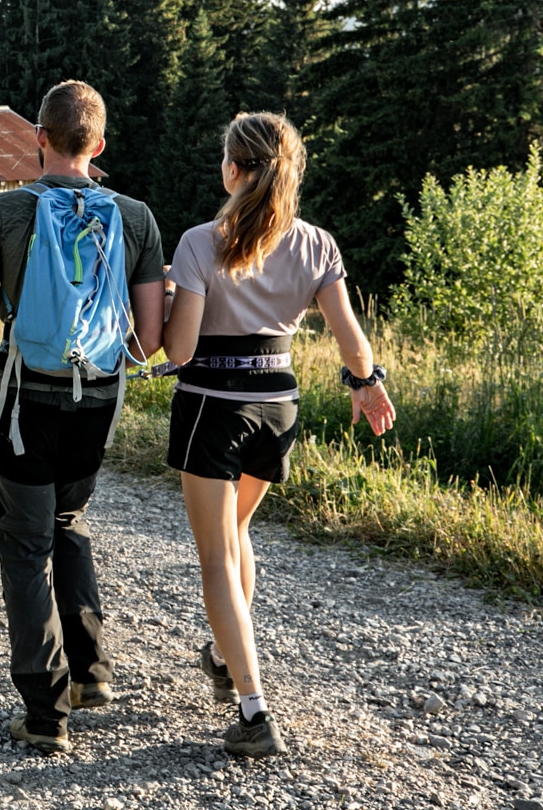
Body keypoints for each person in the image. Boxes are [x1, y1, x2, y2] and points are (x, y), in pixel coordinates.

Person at [162, 112, 395, 758]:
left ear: (232, 170)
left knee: (215, 556)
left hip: (212, 406)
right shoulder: (317, 245)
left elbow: (179, 351)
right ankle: (221, 654)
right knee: (237, 534)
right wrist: (367, 383)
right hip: (278, 409)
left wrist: (158, 306)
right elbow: (351, 339)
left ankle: (253, 708)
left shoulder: (198, 243)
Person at [0, 80, 166, 754]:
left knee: (24, 544)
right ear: (98, 145)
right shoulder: (135, 217)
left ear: (38, 136)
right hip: (94, 405)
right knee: (68, 521)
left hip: (22, 401)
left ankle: (45, 713)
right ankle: (90, 673)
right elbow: (148, 340)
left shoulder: (4, 212)